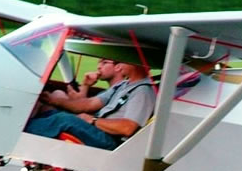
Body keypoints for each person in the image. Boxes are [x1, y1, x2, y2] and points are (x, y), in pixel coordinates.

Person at [25, 62, 156, 150]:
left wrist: (92, 120)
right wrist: (55, 101)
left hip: (111, 140)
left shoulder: (143, 91)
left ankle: (16, 132)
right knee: (52, 112)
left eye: (122, 61)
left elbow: (128, 128)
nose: (118, 65)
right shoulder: (123, 85)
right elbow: (89, 104)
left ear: (136, 64)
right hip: (99, 131)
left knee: (64, 119)